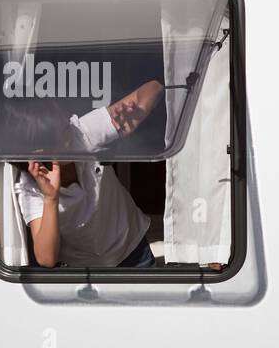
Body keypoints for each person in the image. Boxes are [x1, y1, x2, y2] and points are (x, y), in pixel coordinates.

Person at [9, 80, 165, 269]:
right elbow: (46, 258)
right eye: (61, 139)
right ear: (38, 153)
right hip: (84, 269)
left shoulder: (81, 132)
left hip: (132, 248)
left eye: (67, 129)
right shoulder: (30, 185)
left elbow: (153, 88)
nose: (70, 140)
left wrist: (132, 111)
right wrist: (51, 198)